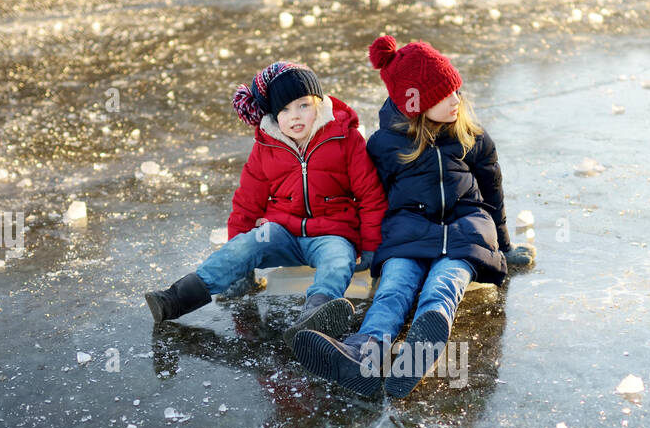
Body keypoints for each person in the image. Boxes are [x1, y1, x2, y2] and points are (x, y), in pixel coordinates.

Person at [293, 35, 514, 397]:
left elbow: (492, 191)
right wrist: (364, 245)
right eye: (445, 95)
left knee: (442, 287)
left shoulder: (471, 136)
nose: (456, 100)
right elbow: (368, 196)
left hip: (465, 233)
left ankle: (423, 344)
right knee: (393, 289)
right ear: (416, 103)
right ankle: (361, 352)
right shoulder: (384, 145)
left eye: (456, 91)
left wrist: (503, 245)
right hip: (407, 233)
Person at [144, 61, 387, 345]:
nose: (294, 116)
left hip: (332, 232)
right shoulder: (266, 146)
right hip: (281, 232)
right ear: (273, 114)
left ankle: (316, 313)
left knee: (337, 260)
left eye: (303, 106)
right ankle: (176, 299)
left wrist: (371, 247)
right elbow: (247, 202)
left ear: (319, 104)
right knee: (250, 243)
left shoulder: (345, 138)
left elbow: (370, 195)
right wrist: (242, 263)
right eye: (284, 110)